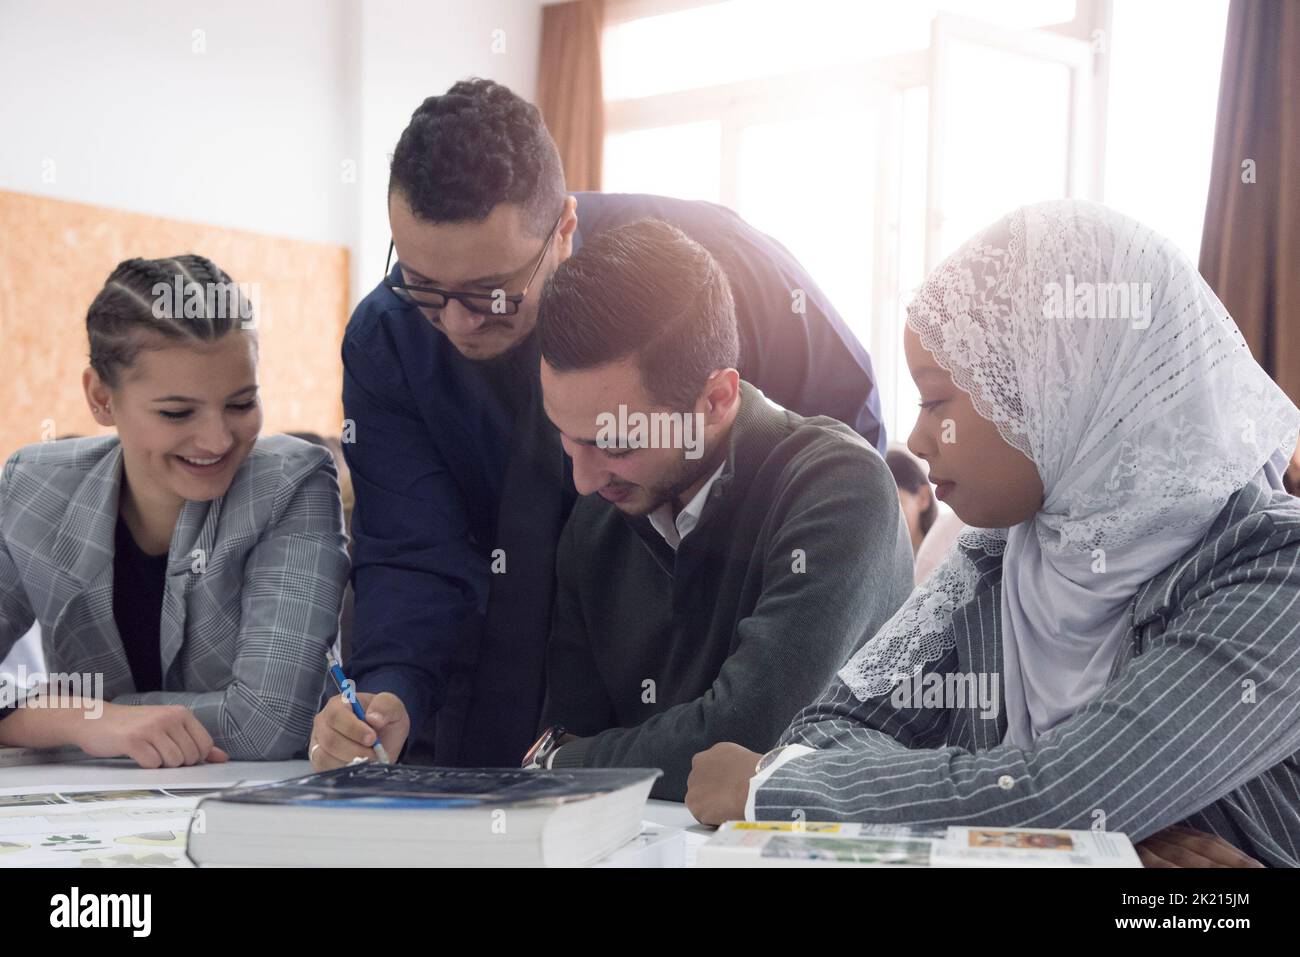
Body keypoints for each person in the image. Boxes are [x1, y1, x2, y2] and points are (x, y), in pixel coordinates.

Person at [685, 201, 1300, 867]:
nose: (917, 438)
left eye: (935, 399)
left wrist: (774, 788)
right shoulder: (999, 557)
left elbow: (1062, 793)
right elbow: (831, 730)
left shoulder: (1273, 571)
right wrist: (1083, 837)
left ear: (1057, 387)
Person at [312, 78, 889, 769]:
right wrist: (392, 690)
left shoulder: (711, 269)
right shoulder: (389, 338)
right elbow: (412, 551)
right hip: (541, 647)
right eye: (423, 285)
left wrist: (822, 570)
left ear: (563, 230)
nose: (457, 321)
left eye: (491, 292)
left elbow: (841, 433)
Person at [526, 220, 912, 800]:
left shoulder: (840, 489)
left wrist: (569, 758)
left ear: (715, 400)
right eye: (566, 435)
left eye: (616, 444)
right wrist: (573, 757)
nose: (582, 480)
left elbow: (745, 735)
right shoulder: (599, 518)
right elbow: (574, 740)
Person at [0, 256, 350, 766]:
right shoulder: (34, 485)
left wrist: (66, 715)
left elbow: (267, 725)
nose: (216, 439)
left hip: (248, 811)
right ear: (101, 398)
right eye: (177, 412)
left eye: (240, 403)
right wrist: (83, 721)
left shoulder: (290, 482)